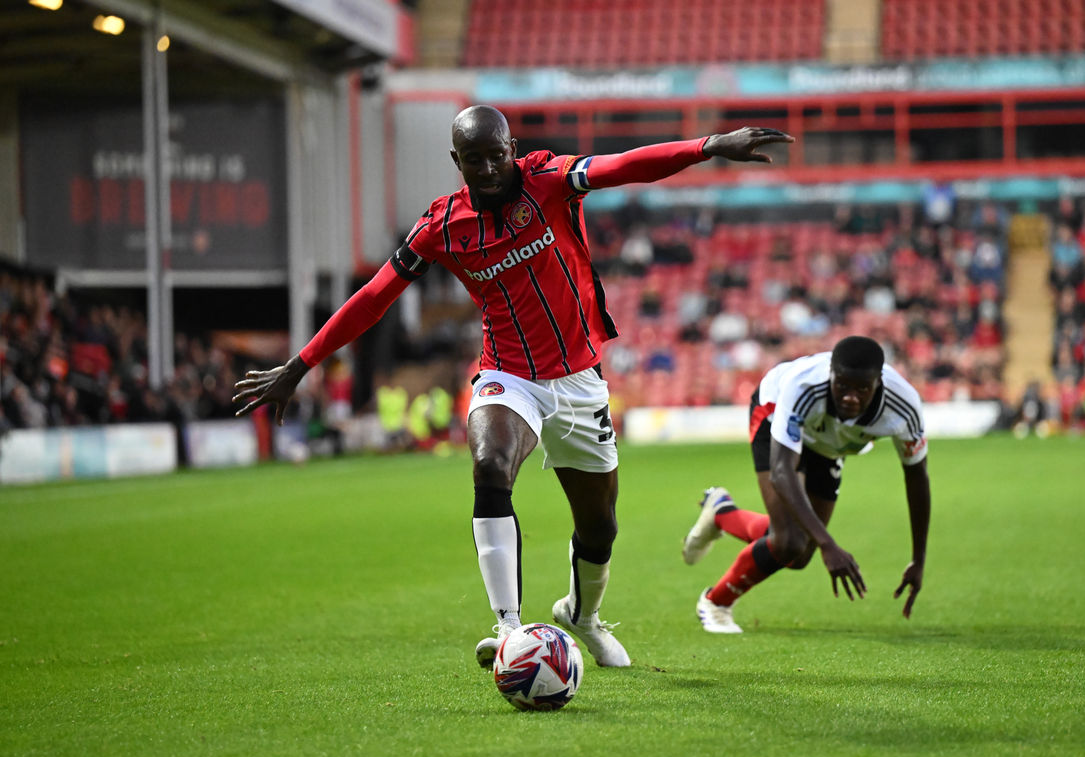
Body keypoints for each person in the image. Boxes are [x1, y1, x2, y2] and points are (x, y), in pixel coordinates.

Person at [232, 105, 794, 668]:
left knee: (599, 528)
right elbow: (374, 297)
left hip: (578, 381)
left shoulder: (550, 180)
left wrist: (710, 145)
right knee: (491, 464)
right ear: (458, 161)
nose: (488, 168)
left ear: (512, 147)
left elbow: (625, 165)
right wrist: (300, 366)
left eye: (496, 154)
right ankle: (509, 629)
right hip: (507, 374)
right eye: (473, 160)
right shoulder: (440, 228)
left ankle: (583, 615)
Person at [681, 335, 931, 633]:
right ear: (831, 375)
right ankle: (716, 602)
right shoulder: (802, 386)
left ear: (878, 382)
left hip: (830, 443)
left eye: (862, 389)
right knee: (788, 542)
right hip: (773, 417)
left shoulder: (904, 407)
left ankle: (721, 513)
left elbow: (917, 477)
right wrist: (828, 543)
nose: (851, 397)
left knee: (798, 555)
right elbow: (783, 472)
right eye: (843, 386)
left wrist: (918, 560)